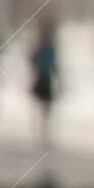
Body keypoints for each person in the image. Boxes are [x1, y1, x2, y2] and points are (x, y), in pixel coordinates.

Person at [29, 14, 61, 147]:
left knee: (44, 108)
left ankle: (42, 132)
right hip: (43, 79)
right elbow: (36, 62)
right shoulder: (44, 47)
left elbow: (52, 65)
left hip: (44, 79)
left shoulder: (47, 47)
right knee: (43, 107)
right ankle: (41, 132)